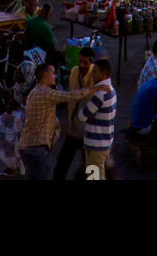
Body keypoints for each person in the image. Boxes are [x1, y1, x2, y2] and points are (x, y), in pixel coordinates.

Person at [18, 61, 97, 181]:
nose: (55, 76)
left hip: (27, 147)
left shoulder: (34, 93)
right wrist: (92, 89)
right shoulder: (46, 93)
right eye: (53, 73)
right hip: (36, 148)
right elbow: (70, 96)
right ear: (45, 75)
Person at [53, 47, 104, 181]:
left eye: (85, 63)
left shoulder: (96, 76)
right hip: (74, 127)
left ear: (91, 62)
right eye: (80, 61)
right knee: (62, 163)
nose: (81, 65)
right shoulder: (75, 71)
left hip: (89, 131)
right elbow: (72, 97)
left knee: (86, 168)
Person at [79, 58, 117, 179]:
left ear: (103, 73)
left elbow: (81, 116)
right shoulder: (112, 90)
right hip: (105, 142)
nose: (92, 74)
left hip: (95, 145)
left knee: (93, 177)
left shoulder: (100, 94)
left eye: (95, 71)